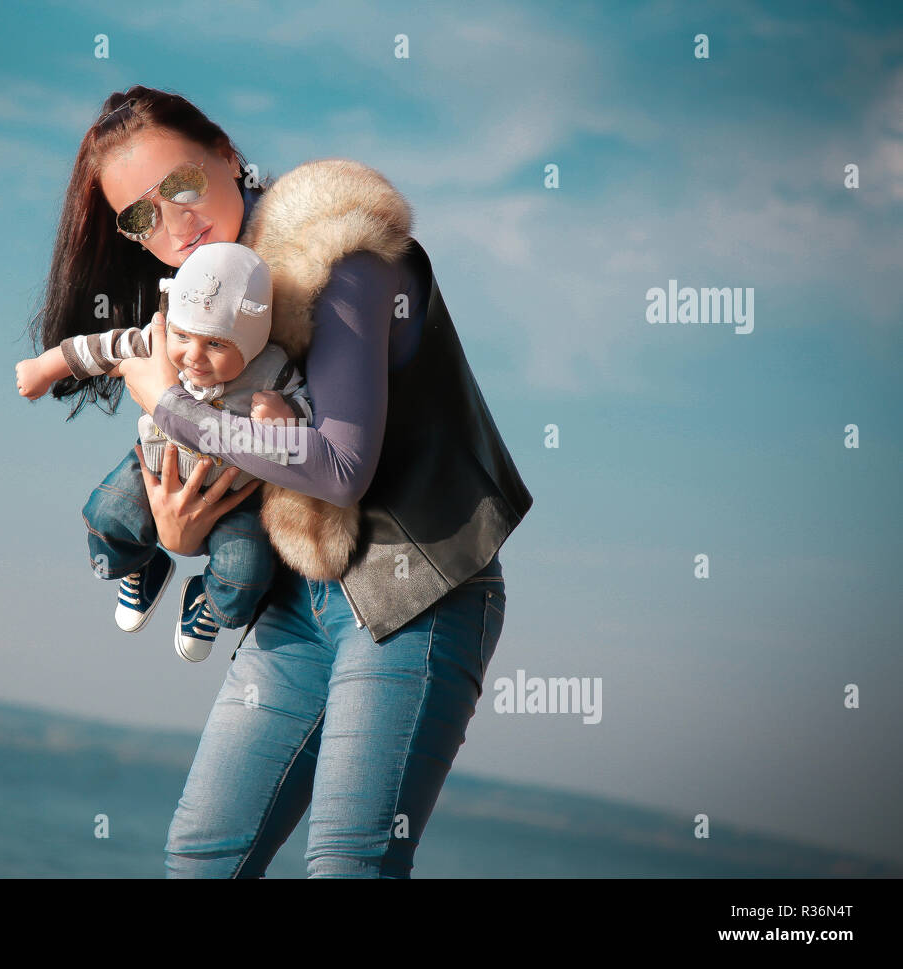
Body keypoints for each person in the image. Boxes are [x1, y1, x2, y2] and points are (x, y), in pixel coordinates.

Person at [27, 86, 534, 878]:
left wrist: (168, 404)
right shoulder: (207, 304)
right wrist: (177, 532)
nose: (172, 223)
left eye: (183, 186)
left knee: (347, 864)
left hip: (414, 592)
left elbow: (337, 466)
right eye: (139, 217)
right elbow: (249, 456)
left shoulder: (339, 253)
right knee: (203, 856)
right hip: (297, 602)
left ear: (228, 154)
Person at [16, 242, 313, 662]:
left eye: (216, 344)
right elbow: (104, 347)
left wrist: (286, 413)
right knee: (106, 515)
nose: (193, 356)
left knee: (247, 573)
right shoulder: (156, 341)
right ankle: (141, 564)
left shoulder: (272, 369)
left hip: (237, 495)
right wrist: (47, 367)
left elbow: (308, 406)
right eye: (183, 335)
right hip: (153, 465)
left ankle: (208, 599)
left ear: (251, 341)